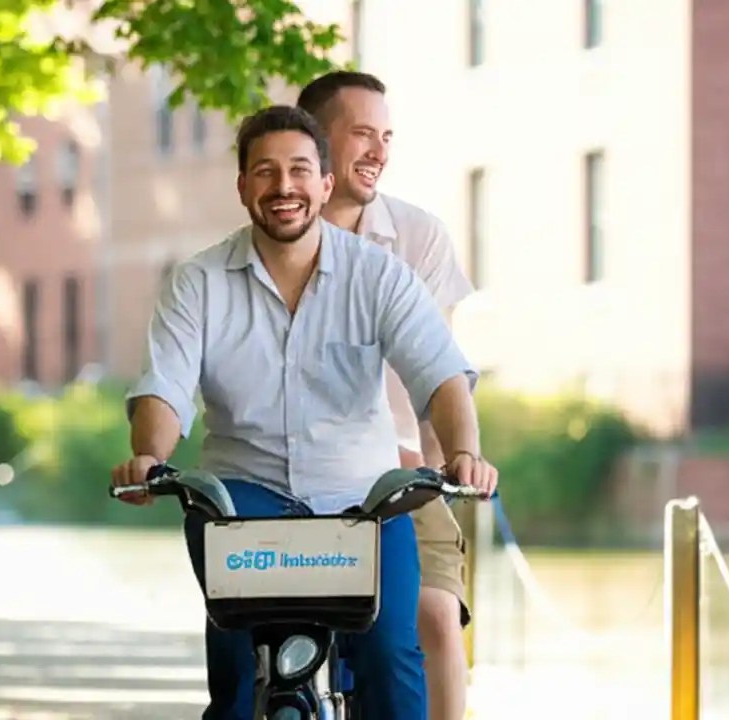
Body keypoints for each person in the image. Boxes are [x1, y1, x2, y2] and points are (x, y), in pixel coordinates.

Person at [110, 104, 498, 720]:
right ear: (242, 187)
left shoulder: (378, 276)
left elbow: (440, 373)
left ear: (324, 184)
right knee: (237, 677)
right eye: (264, 172)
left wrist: (464, 455)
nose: (282, 186)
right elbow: (167, 386)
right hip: (243, 502)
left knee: (393, 664)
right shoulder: (199, 282)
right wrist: (148, 459)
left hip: (363, 504)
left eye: (298, 170)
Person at [296, 70, 484, 720]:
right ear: (317, 142)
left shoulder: (417, 238)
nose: (379, 151)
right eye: (362, 135)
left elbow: (441, 374)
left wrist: (444, 468)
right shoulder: (280, 236)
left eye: (387, 137)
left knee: (433, 613)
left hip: (398, 470)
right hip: (292, 472)